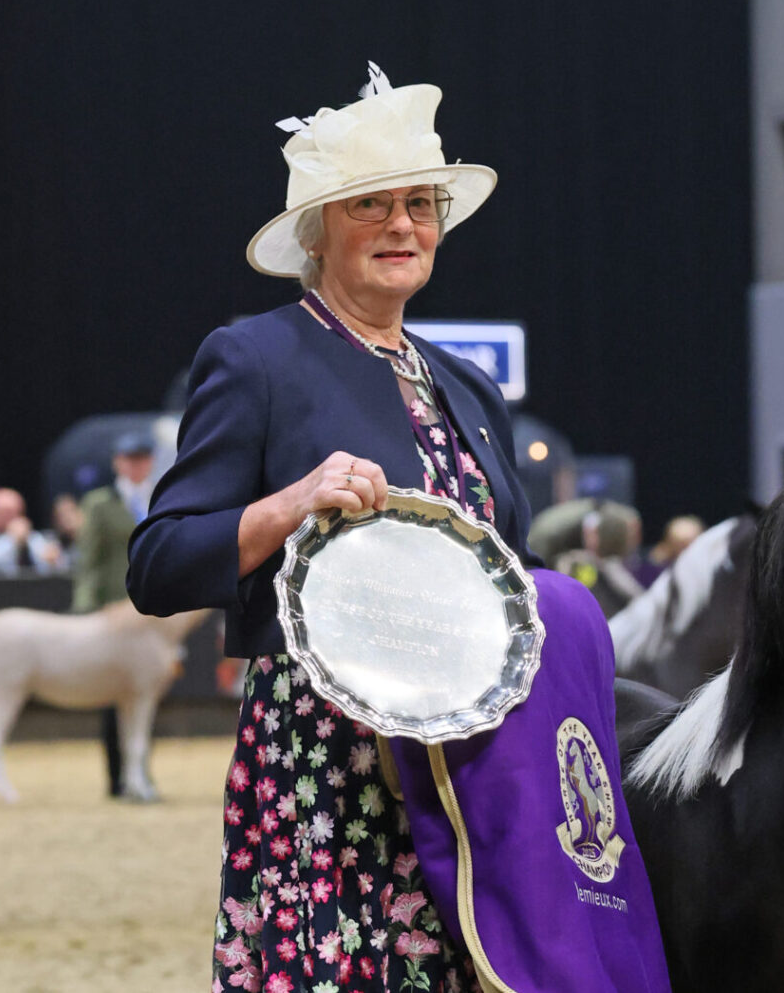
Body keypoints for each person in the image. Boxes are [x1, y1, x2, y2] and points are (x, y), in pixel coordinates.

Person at [128, 65, 667, 992]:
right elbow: (159, 563)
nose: (403, 225)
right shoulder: (255, 357)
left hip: (479, 777)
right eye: (369, 205)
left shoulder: (470, 387)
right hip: (328, 772)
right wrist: (289, 503)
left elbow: (515, 576)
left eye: (420, 203)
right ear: (317, 231)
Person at [74, 430, 159, 799]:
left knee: (145, 696)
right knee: (114, 698)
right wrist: (86, 609)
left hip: (151, 616)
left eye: (141, 458)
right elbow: (88, 561)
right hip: (113, 612)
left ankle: (140, 773)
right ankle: (117, 777)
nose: (136, 465)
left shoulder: (159, 499)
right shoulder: (100, 503)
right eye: (129, 458)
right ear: (117, 463)